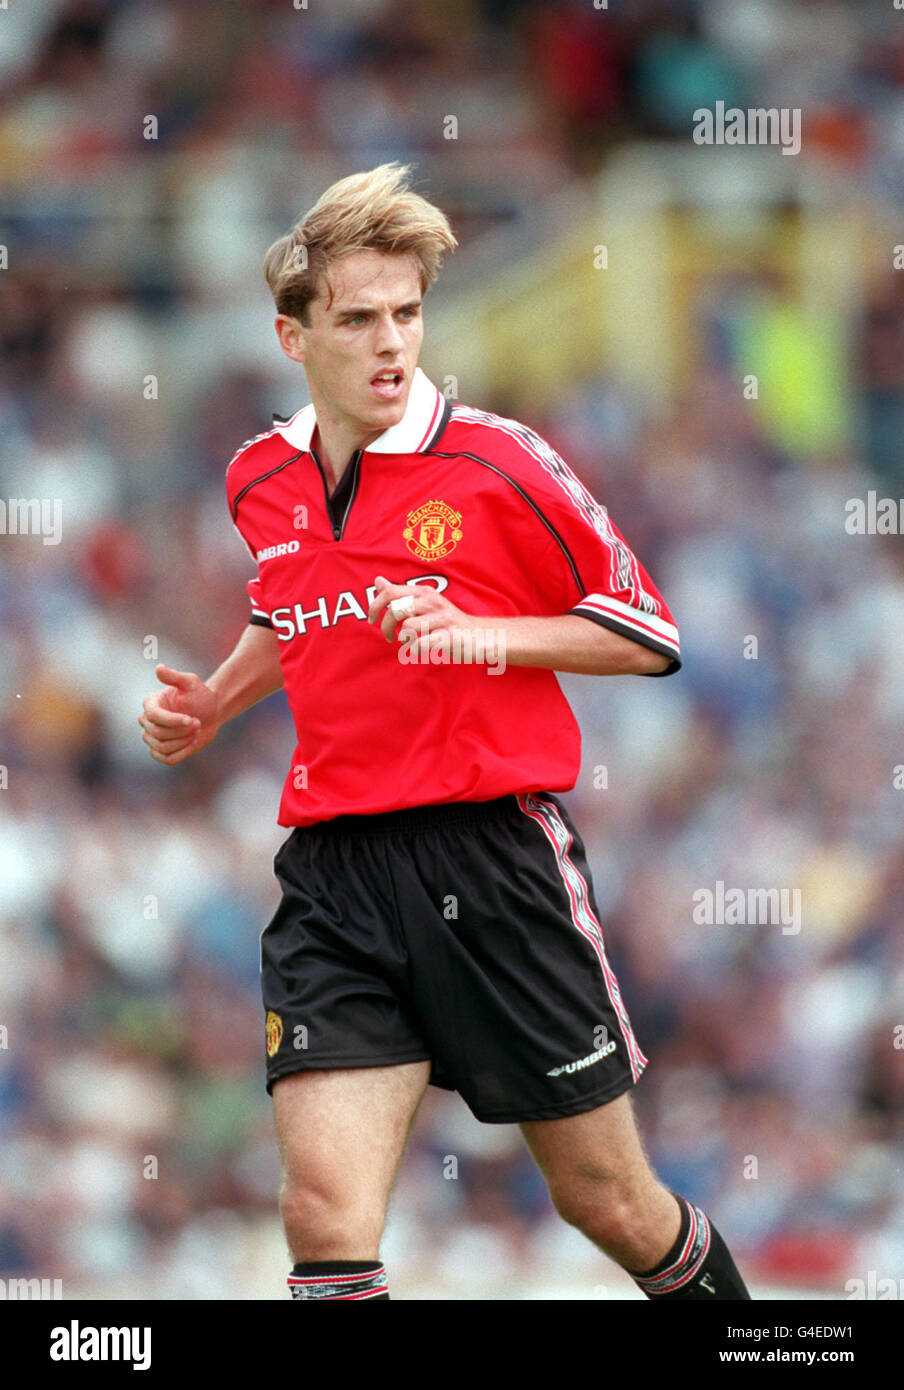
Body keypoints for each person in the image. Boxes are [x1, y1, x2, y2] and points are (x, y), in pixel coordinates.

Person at [138, 163, 750, 1302]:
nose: (390, 342)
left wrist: (487, 635)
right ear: (293, 335)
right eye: (358, 317)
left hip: (493, 860)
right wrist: (217, 697)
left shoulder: (495, 458)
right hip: (335, 873)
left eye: (407, 313)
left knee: (607, 1204)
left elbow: (646, 631)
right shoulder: (256, 475)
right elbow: (297, 607)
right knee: (323, 1215)